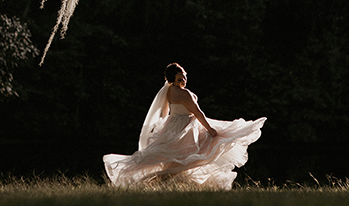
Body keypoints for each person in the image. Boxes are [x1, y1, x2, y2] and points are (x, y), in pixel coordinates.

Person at [103, 63, 267, 189]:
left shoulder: (168, 91)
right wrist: (210, 129)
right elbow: (198, 113)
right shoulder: (184, 93)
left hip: (173, 125)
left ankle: (158, 183)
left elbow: (166, 112)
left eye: (184, 77)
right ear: (172, 80)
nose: (184, 81)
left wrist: (164, 129)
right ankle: (156, 182)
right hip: (186, 127)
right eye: (180, 79)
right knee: (197, 153)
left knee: (173, 160)